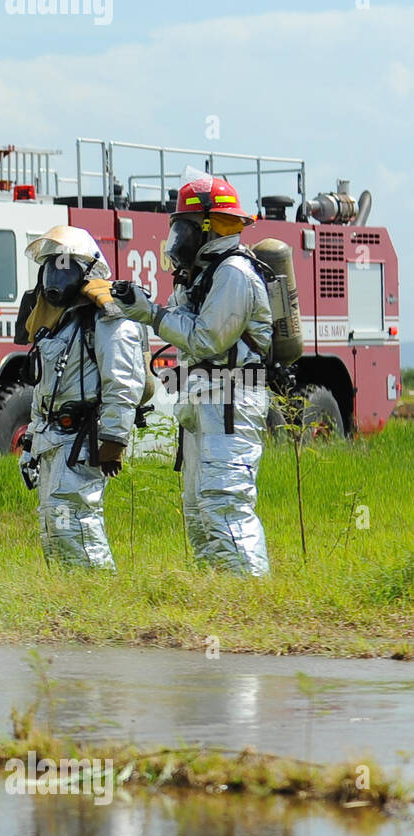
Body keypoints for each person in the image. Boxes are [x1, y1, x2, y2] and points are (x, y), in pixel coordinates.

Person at [109, 174, 272, 576]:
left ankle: (249, 600)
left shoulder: (234, 273)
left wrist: (150, 313)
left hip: (232, 403)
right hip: (205, 404)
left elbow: (206, 340)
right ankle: (216, 597)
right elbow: (180, 327)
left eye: (183, 228)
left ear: (208, 226)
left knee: (224, 502)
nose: (177, 239)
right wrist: (145, 306)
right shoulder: (205, 275)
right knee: (199, 509)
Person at [19, 225, 147, 570]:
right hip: (52, 440)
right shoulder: (53, 323)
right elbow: (44, 390)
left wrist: (115, 439)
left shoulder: (110, 321)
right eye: (52, 267)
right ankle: (70, 601)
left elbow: (124, 385)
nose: (56, 278)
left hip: (82, 439)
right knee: (54, 528)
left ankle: (99, 596)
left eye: (66, 267)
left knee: (75, 524)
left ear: (88, 270)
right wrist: (30, 442)